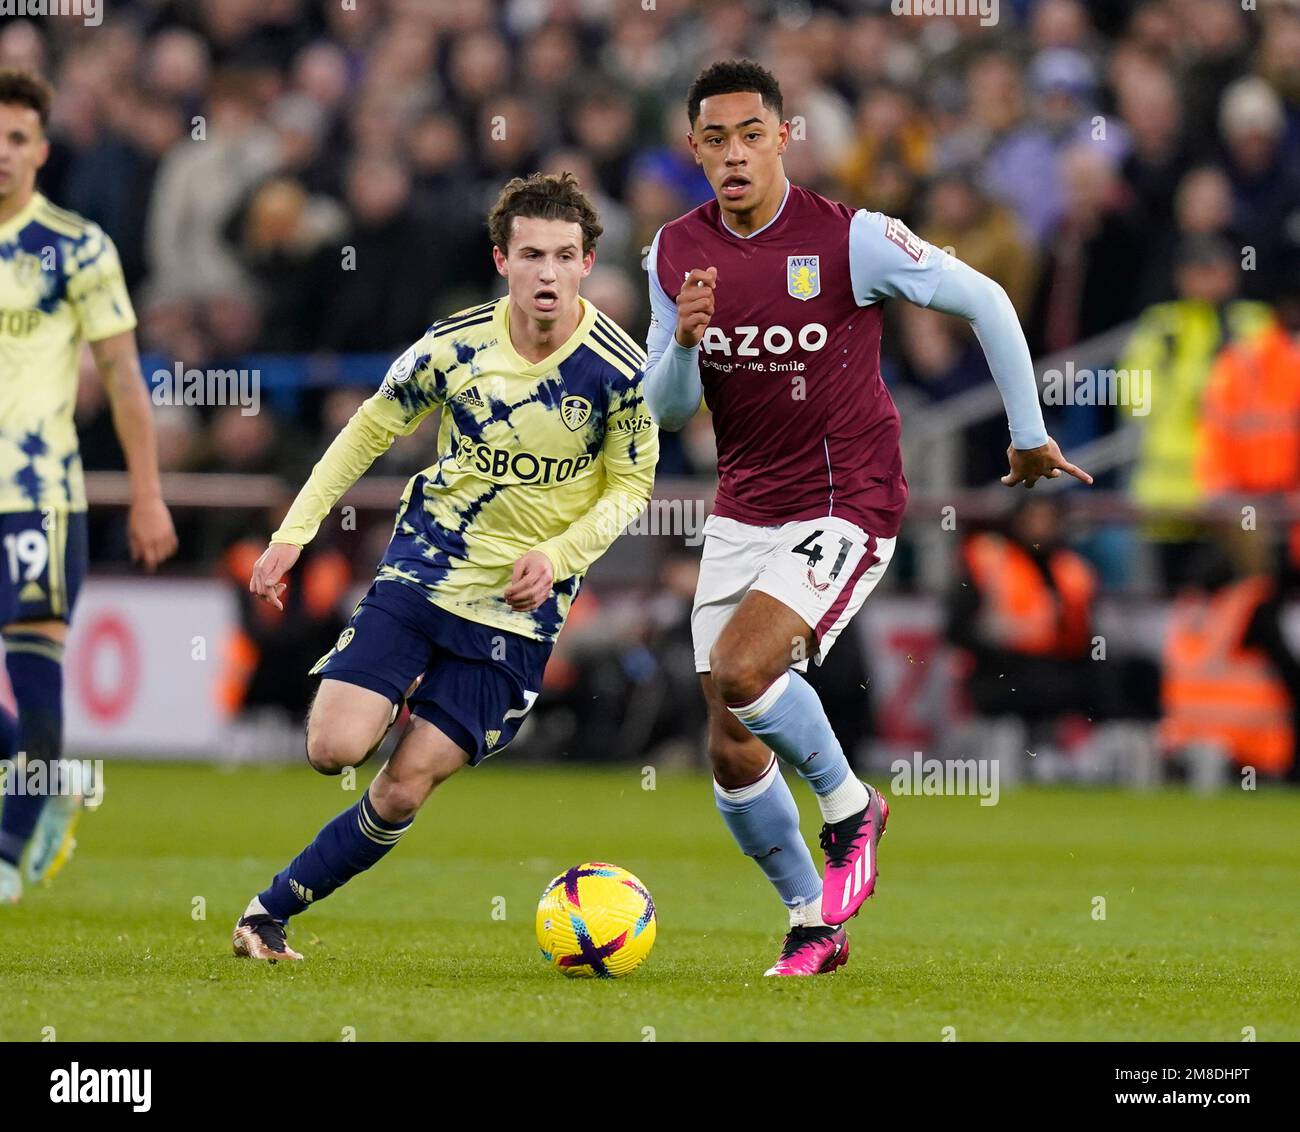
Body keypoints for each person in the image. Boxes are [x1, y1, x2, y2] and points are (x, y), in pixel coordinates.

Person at [644, 59, 1090, 976]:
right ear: (694, 149)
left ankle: (852, 807)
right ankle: (813, 923)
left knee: (741, 669)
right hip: (744, 506)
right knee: (729, 747)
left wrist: (1027, 432)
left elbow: (989, 301)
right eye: (715, 140)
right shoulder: (672, 253)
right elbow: (667, 410)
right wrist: (684, 345)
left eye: (751, 135)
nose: (734, 155)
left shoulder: (853, 238)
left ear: (784, 137)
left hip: (850, 499)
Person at [232, 172, 658, 962]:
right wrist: (296, 531)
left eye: (565, 257)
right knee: (334, 749)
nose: (547, 274)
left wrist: (559, 555)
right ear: (502, 260)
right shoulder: (454, 345)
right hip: (423, 573)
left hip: (520, 611)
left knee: (405, 784)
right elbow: (368, 428)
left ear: (589, 263)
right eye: (531, 255)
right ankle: (386, 686)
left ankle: (267, 913)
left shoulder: (620, 370)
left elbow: (632, 486)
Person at [0, 70, 178, 904]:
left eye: (16, 139)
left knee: (33, 662)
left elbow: (122, 380)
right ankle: (46, 780)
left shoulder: (75, 246)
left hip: (37, 491)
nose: (2, 155)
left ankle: (7, 853)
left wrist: (146, 494)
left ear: (40, 148)